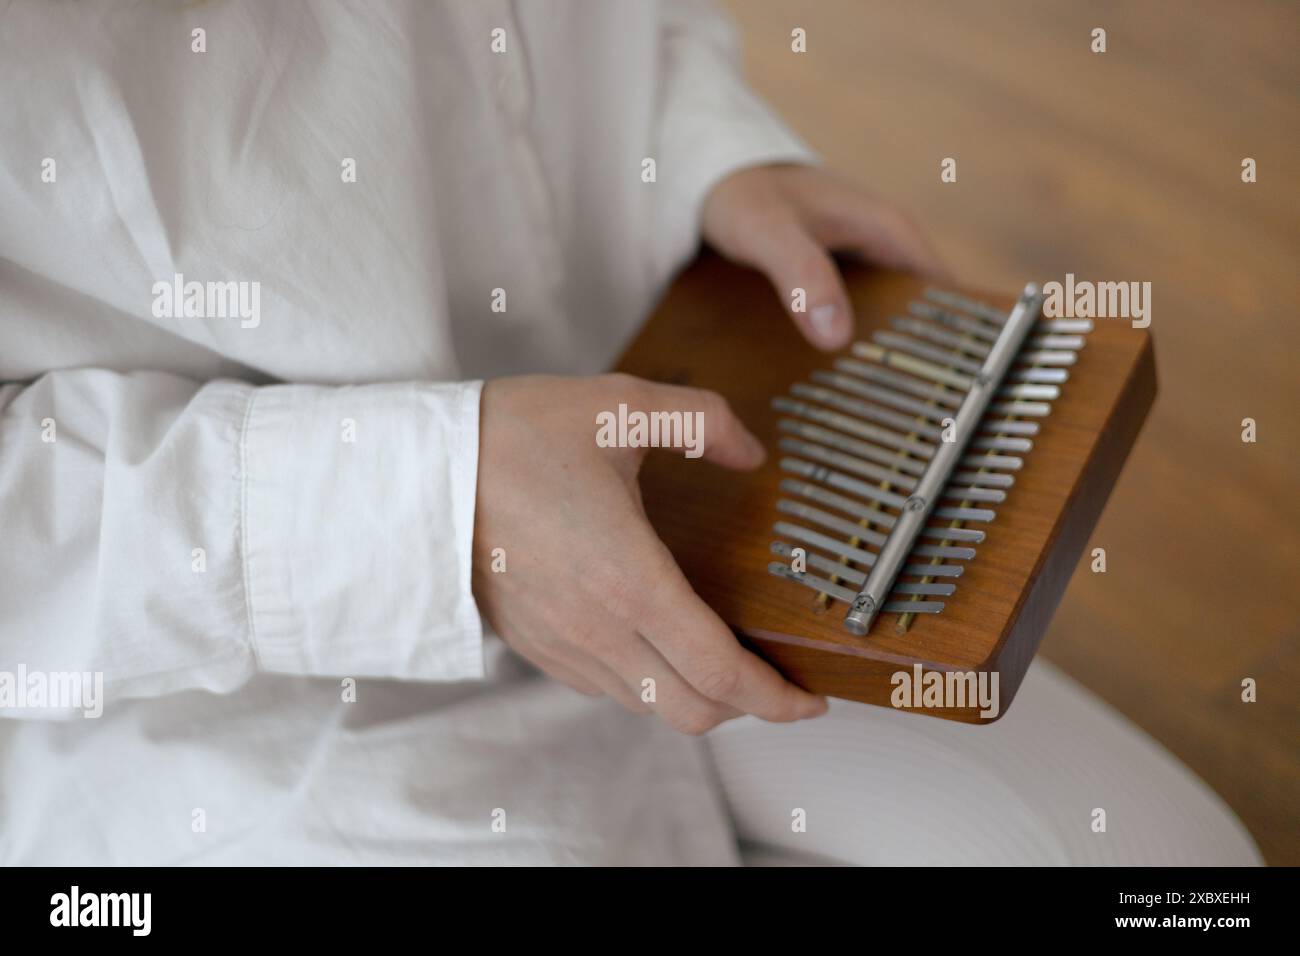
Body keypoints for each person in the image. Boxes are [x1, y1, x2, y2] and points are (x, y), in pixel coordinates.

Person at [0, 0, 1260, 865]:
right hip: (234, 691)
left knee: (1179, 870)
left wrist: (706, 153)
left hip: (712, 493)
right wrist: (439, 508)